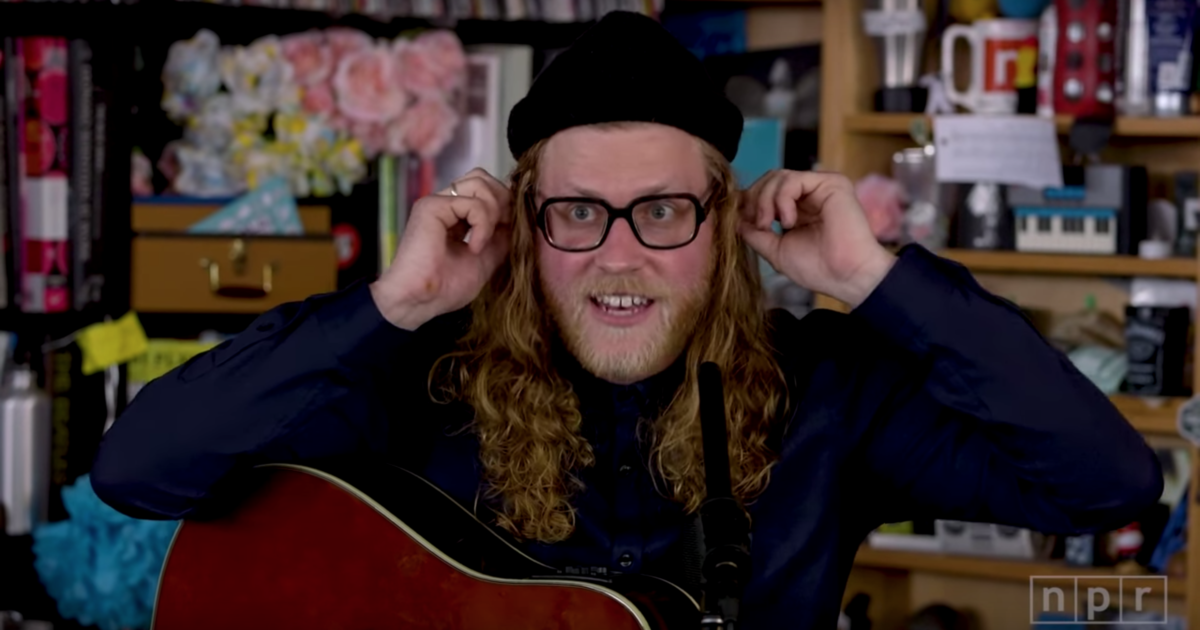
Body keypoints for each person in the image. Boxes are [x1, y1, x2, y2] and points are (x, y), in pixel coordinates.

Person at [91, 11, 1163, 630]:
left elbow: (1106, 485)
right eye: (576, 212)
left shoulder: (831, 392)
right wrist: (396, 302)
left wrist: (878, 279)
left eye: (660, 210)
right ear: (521, 221)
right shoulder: (409, 379)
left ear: (723, 216)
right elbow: (141, 470)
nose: (619, 251)